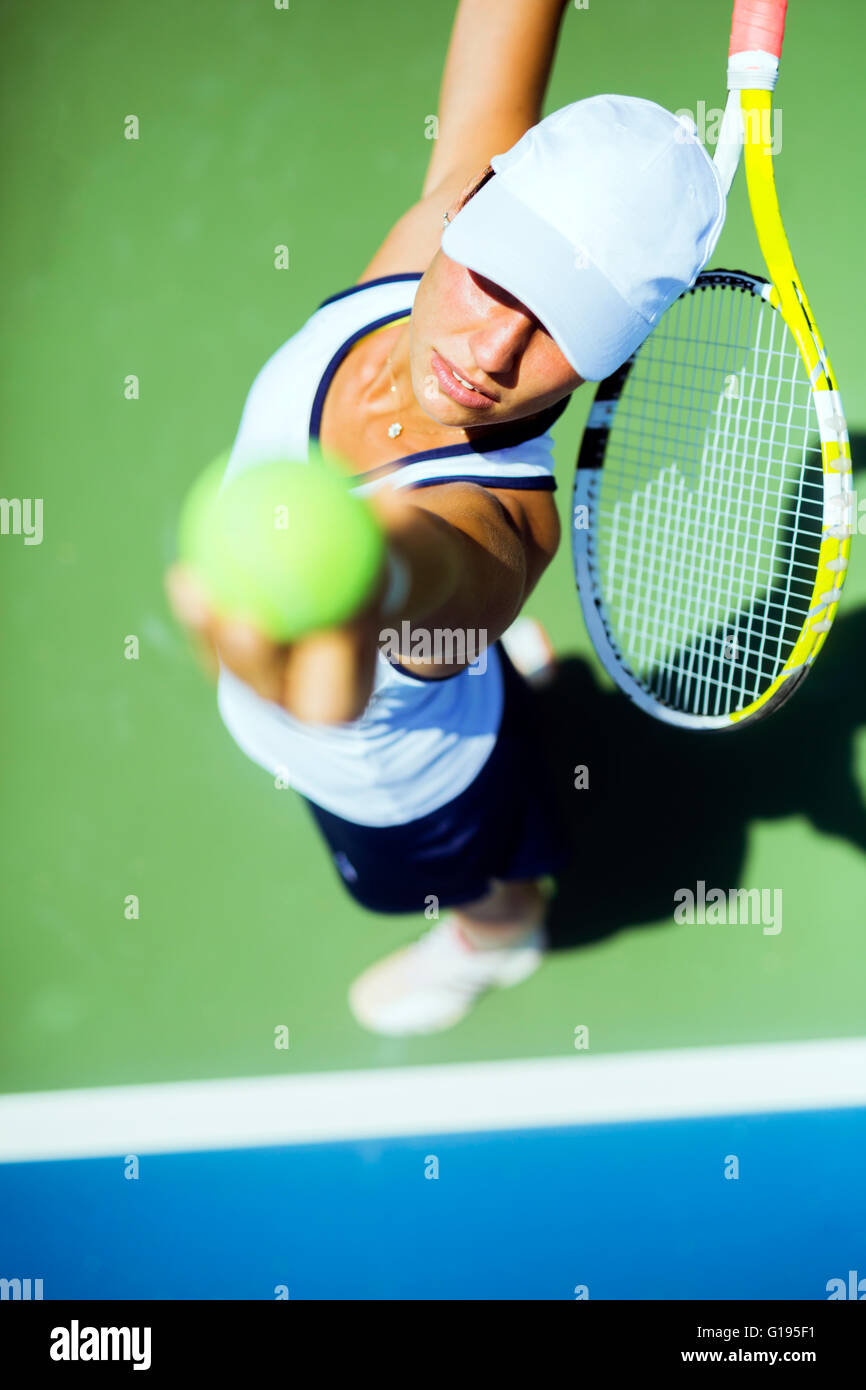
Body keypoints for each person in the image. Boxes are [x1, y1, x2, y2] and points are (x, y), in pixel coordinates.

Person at [168, 0, 725, 1036]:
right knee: (490, 688)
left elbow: (409, 574)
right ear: (471, 202)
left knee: (469, 873)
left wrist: (344, 581)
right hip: (432, 682)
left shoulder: (490, 537)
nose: (491, 350)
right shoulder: (438, 225)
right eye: (500, 277)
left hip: (409, 787)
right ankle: (516, 694)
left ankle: (499, 940)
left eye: (563, 324)